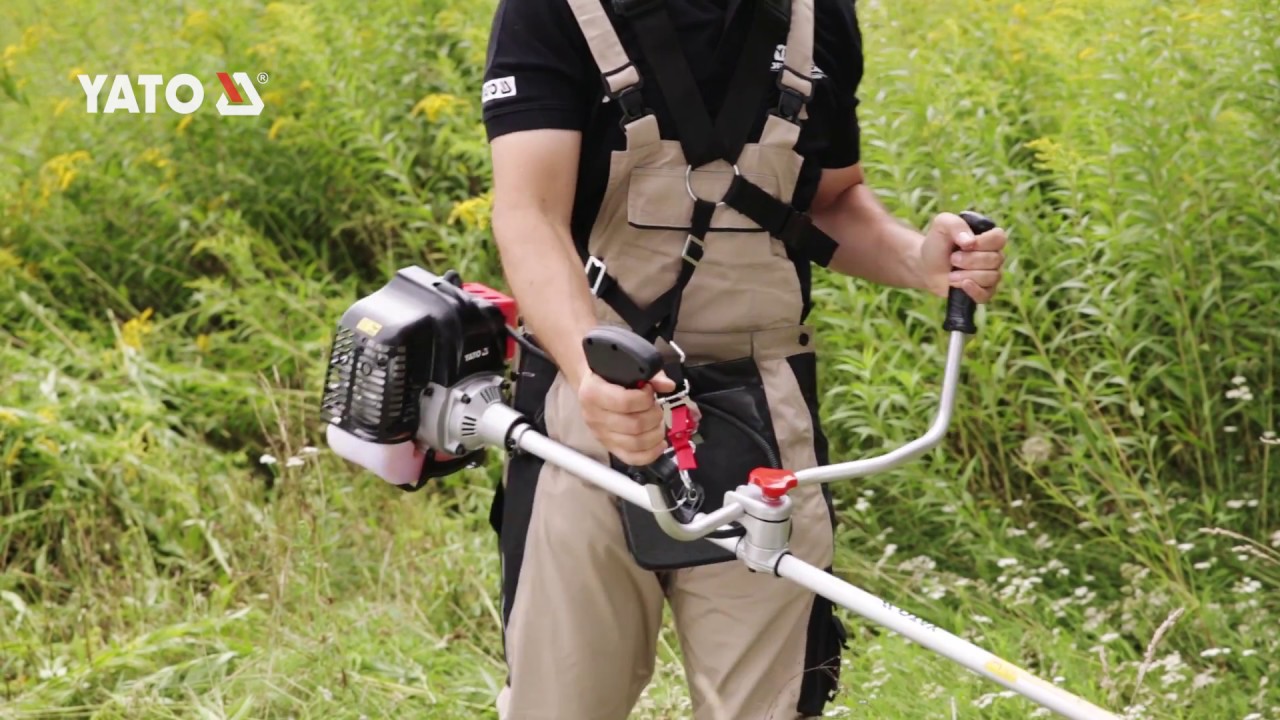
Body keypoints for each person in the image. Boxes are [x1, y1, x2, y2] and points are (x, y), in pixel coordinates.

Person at [481, 0, 1008, 718]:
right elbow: (528, 211)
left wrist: (919, 260)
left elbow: (829, 199)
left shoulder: (819, 16)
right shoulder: (555, 10)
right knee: (560, 703)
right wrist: (587, 373)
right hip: (589, 404)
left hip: (766, 417)